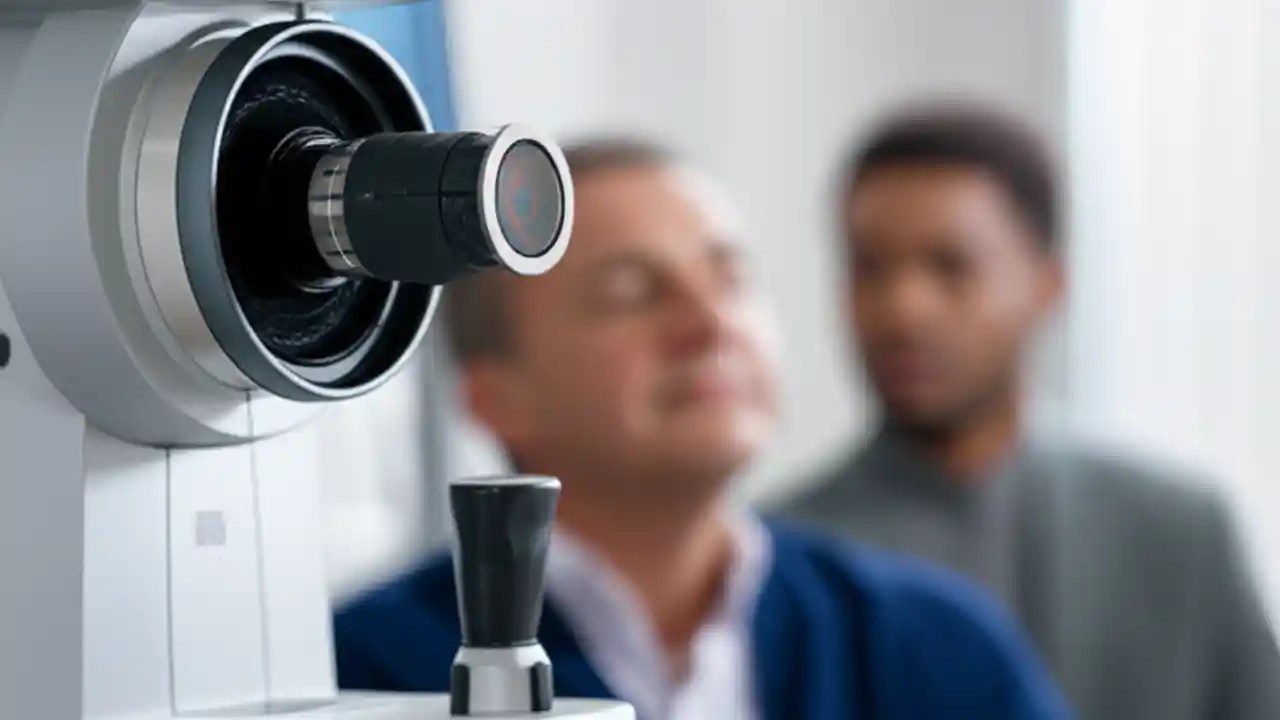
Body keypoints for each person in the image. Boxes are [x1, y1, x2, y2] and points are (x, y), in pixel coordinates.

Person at [332, 139, 1069, 719]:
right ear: (495, 397)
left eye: (730, 277)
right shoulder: (359, 677)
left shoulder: (934, 647)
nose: (710, 323)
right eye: (631, 291)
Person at [775, 104, 1280, 720]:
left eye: (950, 266)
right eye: (870, 268)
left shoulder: (1181, 531)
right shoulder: (783, 561)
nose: (903, 310)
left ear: (1047, 282)